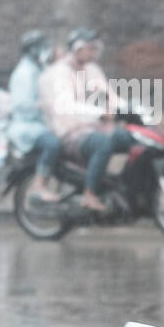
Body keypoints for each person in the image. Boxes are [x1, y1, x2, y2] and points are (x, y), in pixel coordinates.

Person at [38, 28, 126, 212]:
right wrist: (100, 113)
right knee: (102, 144)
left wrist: (129, 108)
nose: (95, 54)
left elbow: (108, 94)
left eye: (96, 49)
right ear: (77, 49)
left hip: (92, 126)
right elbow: (68, 105)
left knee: (130, 138)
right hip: (68, 131)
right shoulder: (59, 73)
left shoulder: (92, 69)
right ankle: (90, 194)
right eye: (91, 49)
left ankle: (124, 190)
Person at [5, 30, 63, 201]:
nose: (46, 50)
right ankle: (38, 186)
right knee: (53, 144)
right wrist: (45, 106)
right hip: (27, 127)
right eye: (42, 47)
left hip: (40, 123)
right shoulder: (24, 73)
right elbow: (23, 105)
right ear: (32, 49)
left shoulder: (38, 69)